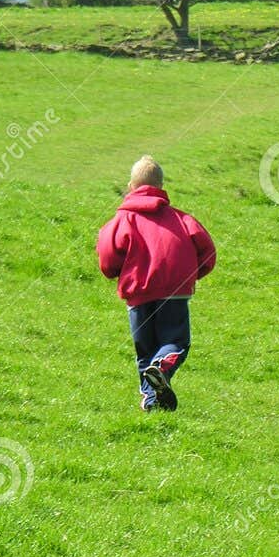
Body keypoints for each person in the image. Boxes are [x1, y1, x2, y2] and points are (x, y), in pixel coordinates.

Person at [97, 156, 217, 412]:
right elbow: (207, 252)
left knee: (145, 351)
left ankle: (151, 401)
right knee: (176, 342)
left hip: (138, 294)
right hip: (174, 292)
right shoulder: (182, 219)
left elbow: (107, 257)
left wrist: (115, 272)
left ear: (131, 186)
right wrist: (192, 275)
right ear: (161, 186)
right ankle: (160, 372)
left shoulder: (120, 221)